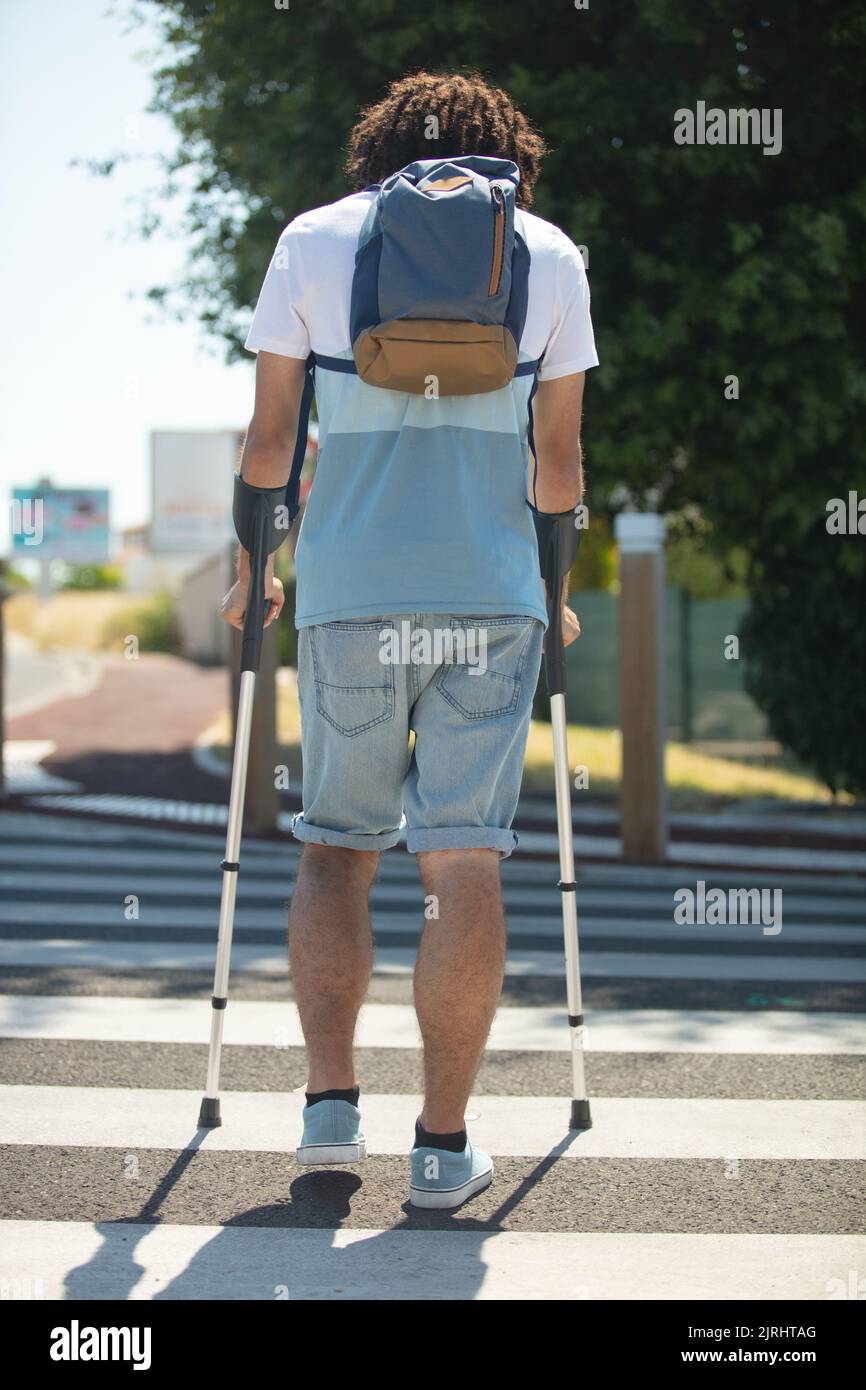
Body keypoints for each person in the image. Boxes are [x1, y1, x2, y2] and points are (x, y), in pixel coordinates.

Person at [221, 70, 598, 1209]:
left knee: (337, 843)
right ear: (507, 160)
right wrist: (553, 585)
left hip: (349, 593)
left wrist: (257, 567)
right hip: (488, 598)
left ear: (374, 152)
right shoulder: (547, 254)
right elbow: (560, 464)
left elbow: (272, 440)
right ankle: (441, 1147)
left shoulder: (313, 242)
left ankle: (329, 1115)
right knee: (462, 857)